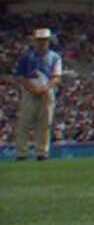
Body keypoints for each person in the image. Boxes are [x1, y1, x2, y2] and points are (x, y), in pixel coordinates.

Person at [12, 25, 62, 160]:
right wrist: (32, 88)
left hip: (47, 91)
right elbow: (19, 76)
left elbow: (56, 77)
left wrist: (45, 88)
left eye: (45, 40)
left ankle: (42, 152)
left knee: (45, 123)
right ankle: (22, 152)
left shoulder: (54, 57)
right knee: (25, 123)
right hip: (30, 91)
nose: (42, 43)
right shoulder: (26, 56)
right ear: (35, 41)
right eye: (40, 40)